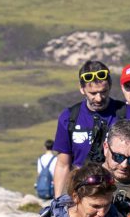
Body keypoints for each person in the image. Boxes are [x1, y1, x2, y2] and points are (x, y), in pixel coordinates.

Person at [52, 60, 123, 196]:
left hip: (116, 188)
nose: (99, 98)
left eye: (104, 92)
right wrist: (58, 201)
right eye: (93, 93)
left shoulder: (127, 113)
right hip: (80, 189)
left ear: (110, 86)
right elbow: (63, 165)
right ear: (82, 89)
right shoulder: (69, 117)